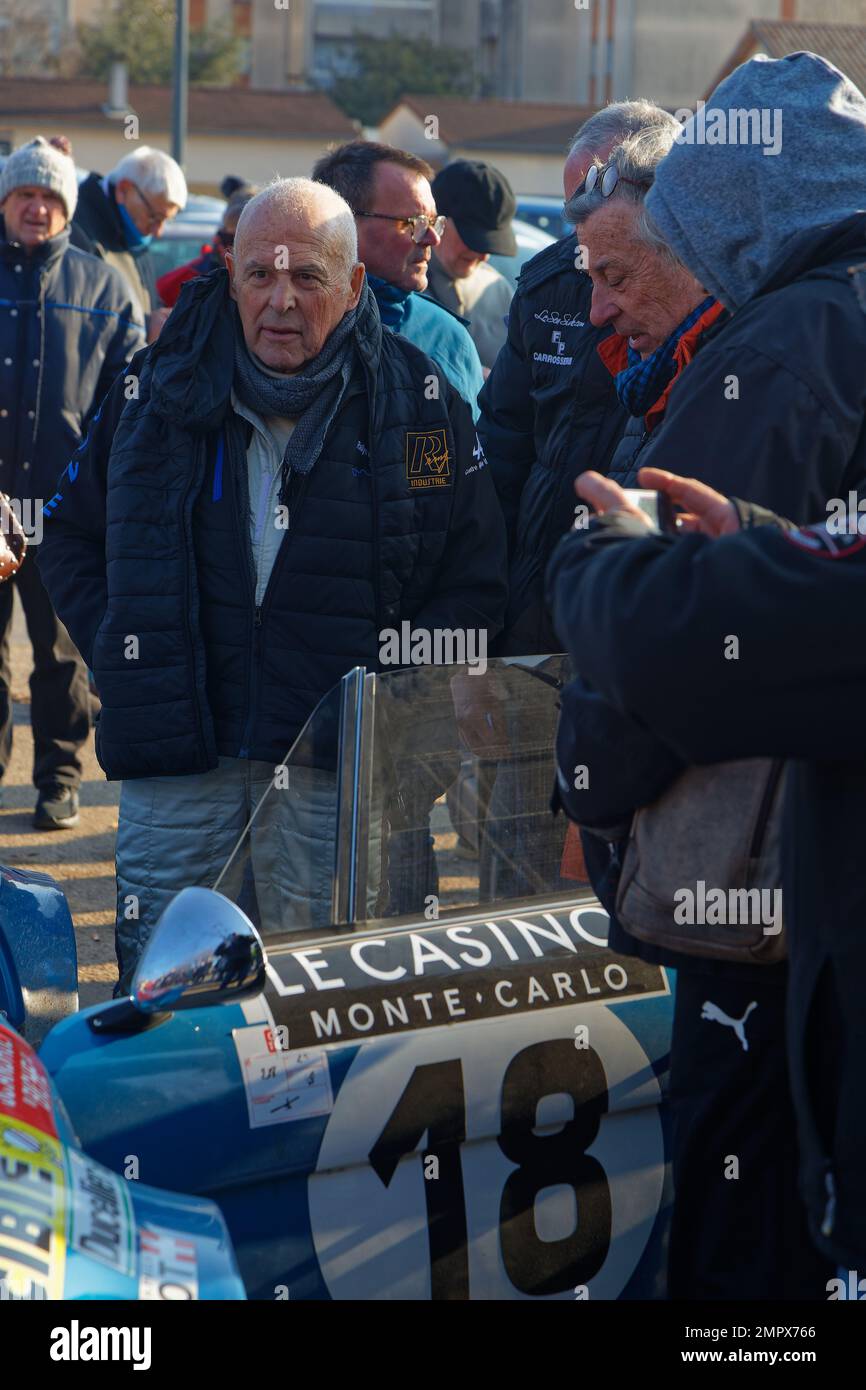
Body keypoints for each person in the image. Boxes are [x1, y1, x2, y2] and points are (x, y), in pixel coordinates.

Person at [548, 51, 866, 1299]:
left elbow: (675, 636)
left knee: (742, 1247)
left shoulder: (795, 332)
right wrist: (776, 549)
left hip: (759, 911)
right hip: (794, 892)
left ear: (736, 207)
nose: (616, 302)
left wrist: (593, 784)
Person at [37, 177, 507, 992]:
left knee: (324, 1002)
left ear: (354, 284)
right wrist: (125, 652)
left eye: (307, 278)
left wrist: (400, 708)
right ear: (231, 273)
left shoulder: (419, 404)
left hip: (339, 776)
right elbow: (68, 534)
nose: (280, 300)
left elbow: (474, 579)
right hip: (180, 764)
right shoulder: (154, 391)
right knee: (169, 1004)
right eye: (261, 274)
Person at [477, 100, 677, 657]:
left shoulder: (704, 310)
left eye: (597, 197)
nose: (582, 229)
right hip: (533, 597)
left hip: (627, 614)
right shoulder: (544, 289)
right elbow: (501, 446)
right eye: (573, 209)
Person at [0, 137, 144, 829]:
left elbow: (127, 404)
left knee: (61, 656)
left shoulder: (106, 286)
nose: (36, 207)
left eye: (49, 197)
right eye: (24, 194)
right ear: (5, 202)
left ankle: (59, 778)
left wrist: (91, 495)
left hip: (61, 512)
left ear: (66, 207)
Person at [566, 125, 725, 485]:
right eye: (593, 280)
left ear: (691, 254)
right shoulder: (650, 374)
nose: (597, 314)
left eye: (616, 278)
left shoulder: (746, 381)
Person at [312, 141, 485, 419]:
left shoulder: (447, 338)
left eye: (433, 222)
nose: (432, 238)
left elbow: (472, 456)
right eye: (413, 222)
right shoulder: (285, 321)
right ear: (343, 223)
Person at [73, 145, 187, 340]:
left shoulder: (133, 237)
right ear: (124, 190)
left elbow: (147, 301)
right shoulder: (78, 231)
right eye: (154, 217)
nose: (158, 231)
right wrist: (145, 324)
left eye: (165, 221)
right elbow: (77, 315)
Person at [427, 160, 515, 372]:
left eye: (491, 245)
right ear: (436, 219)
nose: (483, 256)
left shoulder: (498, 290)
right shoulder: (400, 286)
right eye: (473, 240)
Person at [156, 190, 256, 308]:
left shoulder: (275, 285)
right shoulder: (186, 282)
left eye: (252, 242)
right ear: (218, 239)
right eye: (231, 241)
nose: (239, 251)